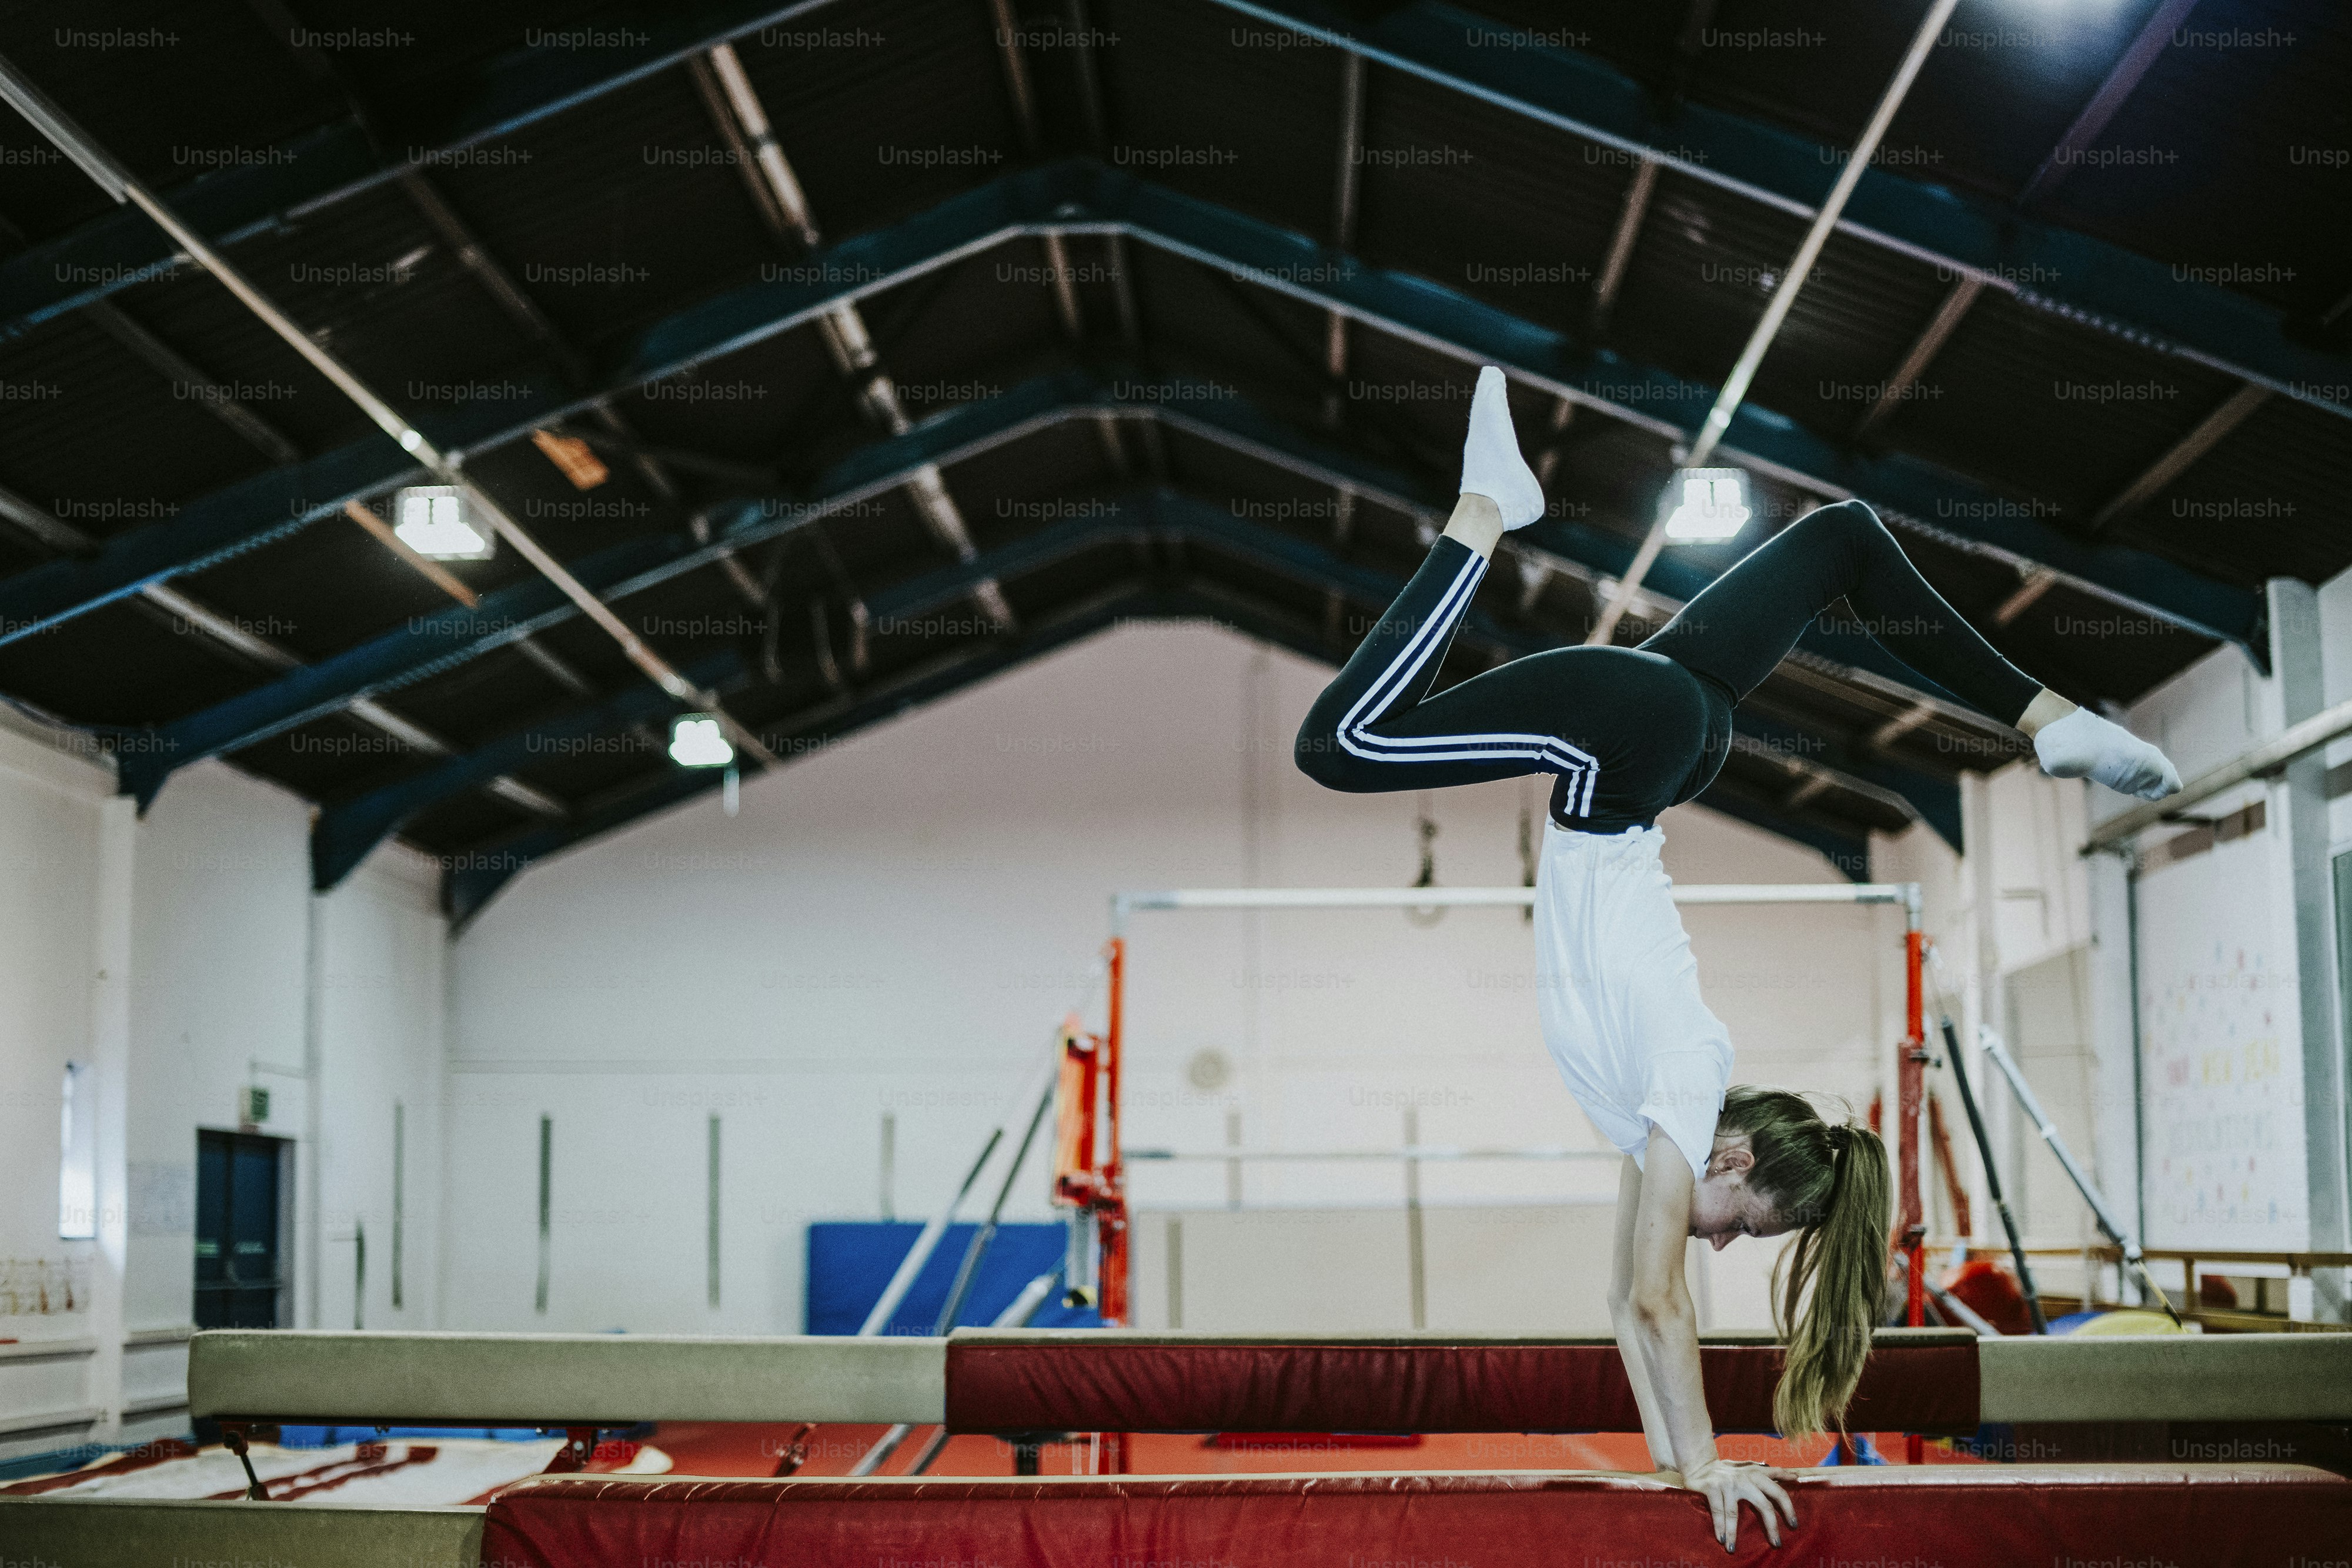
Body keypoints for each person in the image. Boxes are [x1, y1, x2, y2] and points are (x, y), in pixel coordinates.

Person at [1293, 367, 2181, 1552]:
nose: (1709, 1237)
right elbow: (1663, 1294)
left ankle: (2047, 723)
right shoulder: (1682, 1075)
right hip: (1621, 753)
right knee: (1342, 744)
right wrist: (1714, 1460)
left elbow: (1625, 1299)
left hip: (1667, 735)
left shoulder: (1657, 1114)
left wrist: (1677, 1472)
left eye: (1730, 1236)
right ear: (1728, 1151)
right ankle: (1482, 512)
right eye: (1735, 1217)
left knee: (1839, 542)